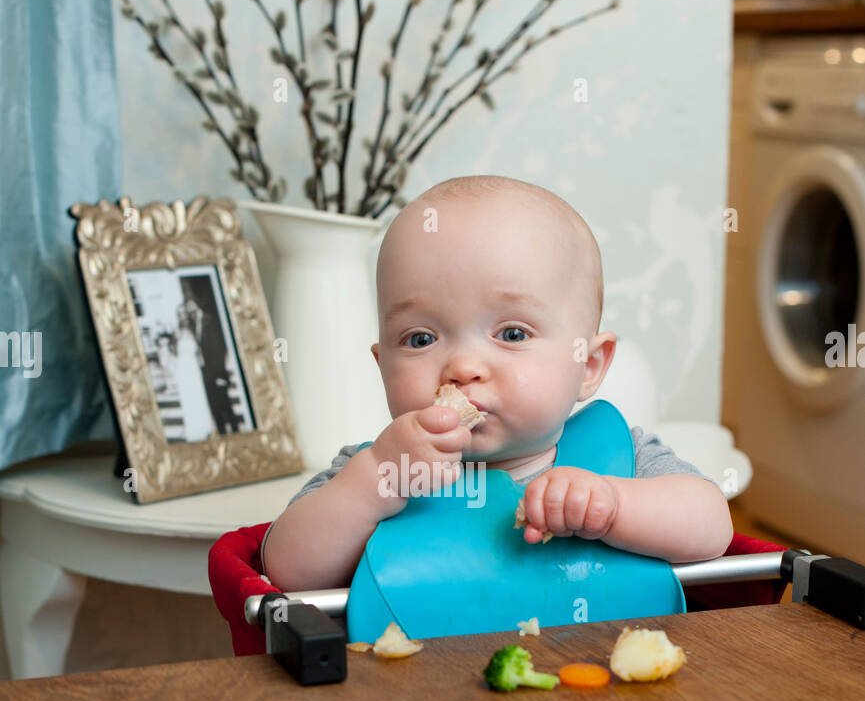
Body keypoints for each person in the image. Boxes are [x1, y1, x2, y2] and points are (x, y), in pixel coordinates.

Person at [260, 175, 733, 592]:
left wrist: (611, 506)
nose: (463, 367)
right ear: (383, 367)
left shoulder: (620, 458)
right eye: (421, 338)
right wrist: (377, 479)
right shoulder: (372, 471)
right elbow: (287, 570)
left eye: (512, 334)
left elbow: (713, 528)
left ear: (587, 365)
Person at [175, 298, 216, 442]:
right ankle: (194, 430)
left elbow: (199, 349)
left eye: (184, 313)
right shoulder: (177, 333)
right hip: (184, 369)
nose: (183, 316)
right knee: (189, 400)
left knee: (199, 398)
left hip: (194, 369)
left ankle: (205, 427)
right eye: (180, 314)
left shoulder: (194, 329)